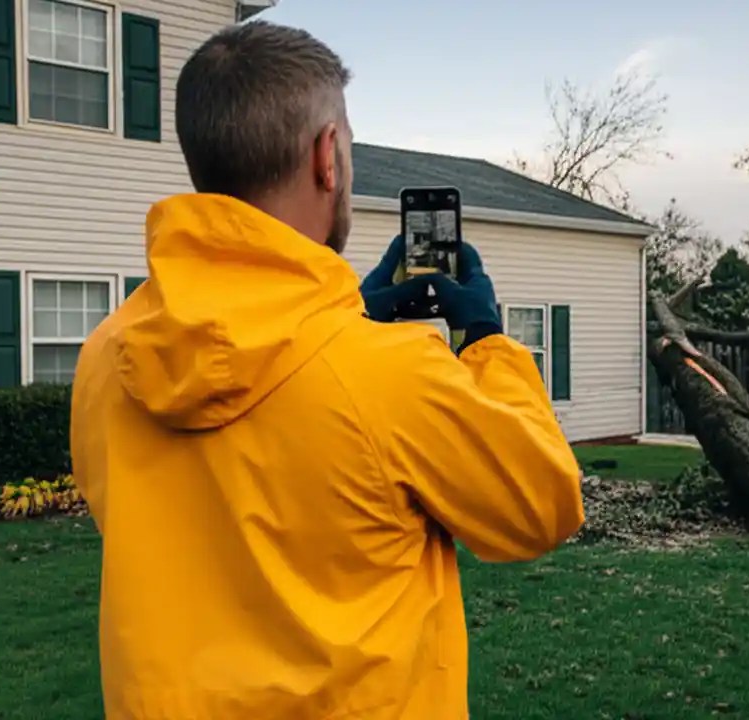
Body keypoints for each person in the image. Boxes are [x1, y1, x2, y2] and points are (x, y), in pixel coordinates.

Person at [69, 20, 584, 720]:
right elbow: (541, 504)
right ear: (328, 157)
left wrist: (345, 312)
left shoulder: (107, 356)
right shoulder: (391, 374)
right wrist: (485, 337)